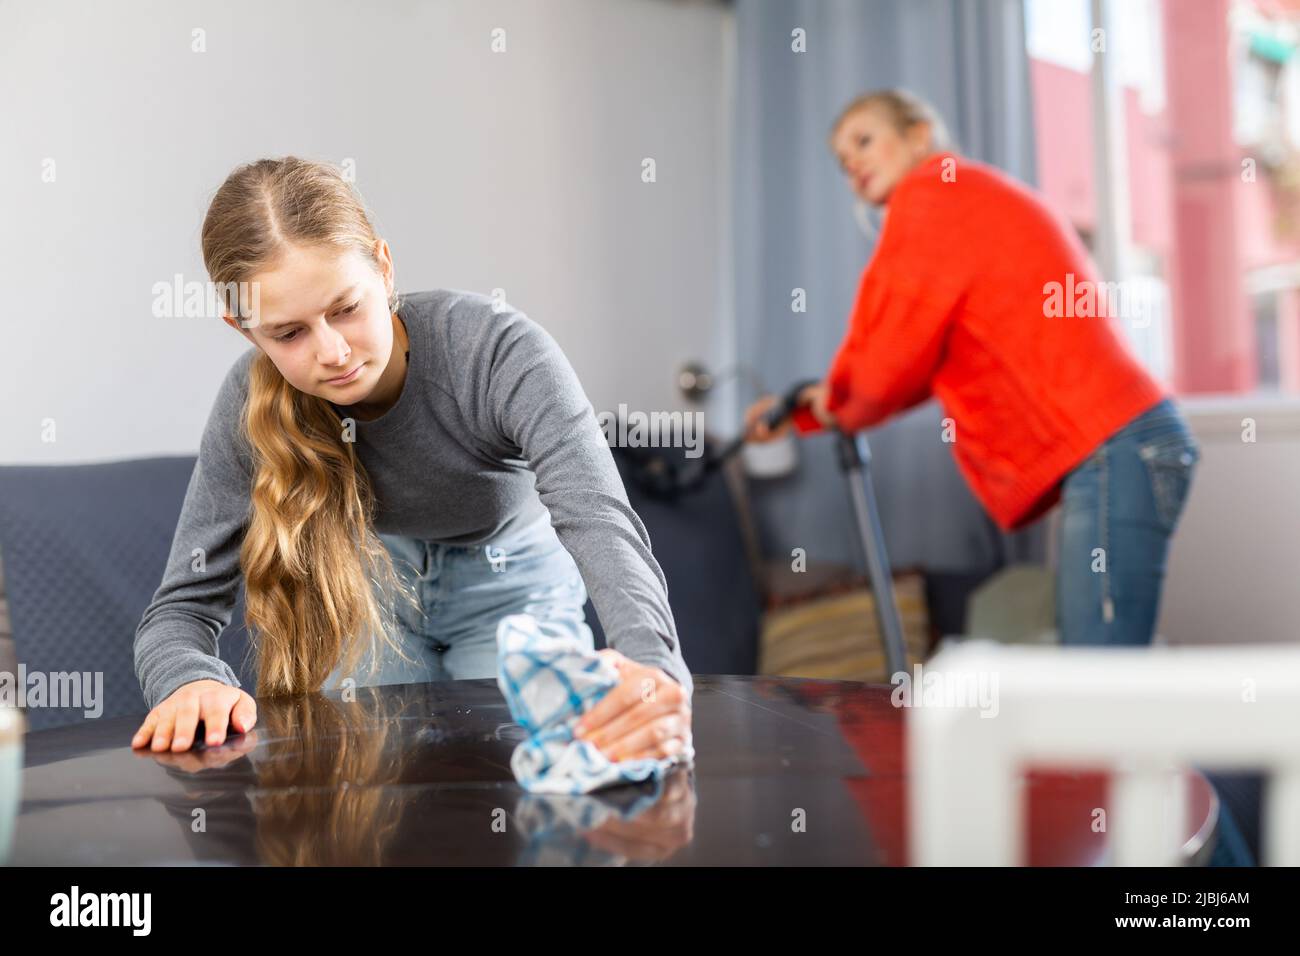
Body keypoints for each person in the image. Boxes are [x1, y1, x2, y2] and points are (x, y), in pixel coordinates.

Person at [132, 156, 692, 761]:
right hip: (371, 586)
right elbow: (179, 608)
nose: (333, 351)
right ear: (247, 332)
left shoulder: (497, 352)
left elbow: (600, 521)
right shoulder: (249, 401)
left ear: (385, 268)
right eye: (288, 333)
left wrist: (653, 670)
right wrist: (189, 682)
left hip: (513, 580)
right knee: (374, 787)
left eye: (346, 308)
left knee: (525, 769)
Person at [744, 89, 1201, 650]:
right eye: (842, 161)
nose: (853, 164)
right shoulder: (965, 195)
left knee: (1098, 678)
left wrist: (830, 406)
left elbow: (883, 361)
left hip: (1117, 447)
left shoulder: (931, 197)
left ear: (918, 134)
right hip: (1126, 445)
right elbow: (913, 357)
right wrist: (816, 410)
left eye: (864, 141)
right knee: (1103, 666)